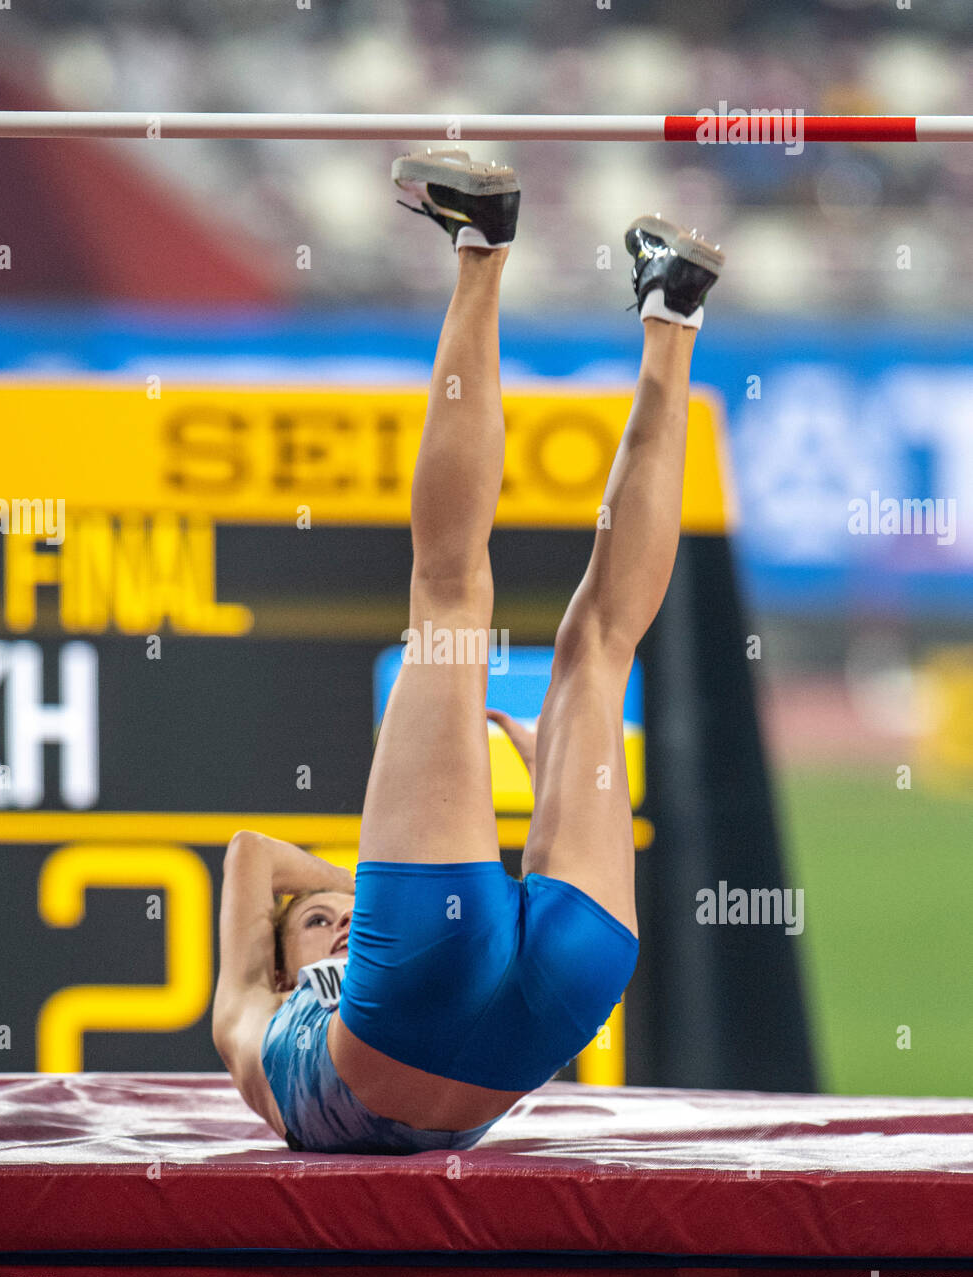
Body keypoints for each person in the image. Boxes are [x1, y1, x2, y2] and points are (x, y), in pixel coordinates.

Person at [212, 148, 723, 1154]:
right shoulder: (279, 998)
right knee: (476, 603)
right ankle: (482, 243)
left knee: (579, 643)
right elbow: (263, 868)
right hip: (472, 987)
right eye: (320, 926)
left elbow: (249, 857)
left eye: (322, 920)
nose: (333, 922)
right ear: (289, 963)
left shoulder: (248, 1022)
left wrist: (359, 892)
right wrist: (379, 886)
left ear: (272, 967)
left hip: (535, 995)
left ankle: (675, 309)